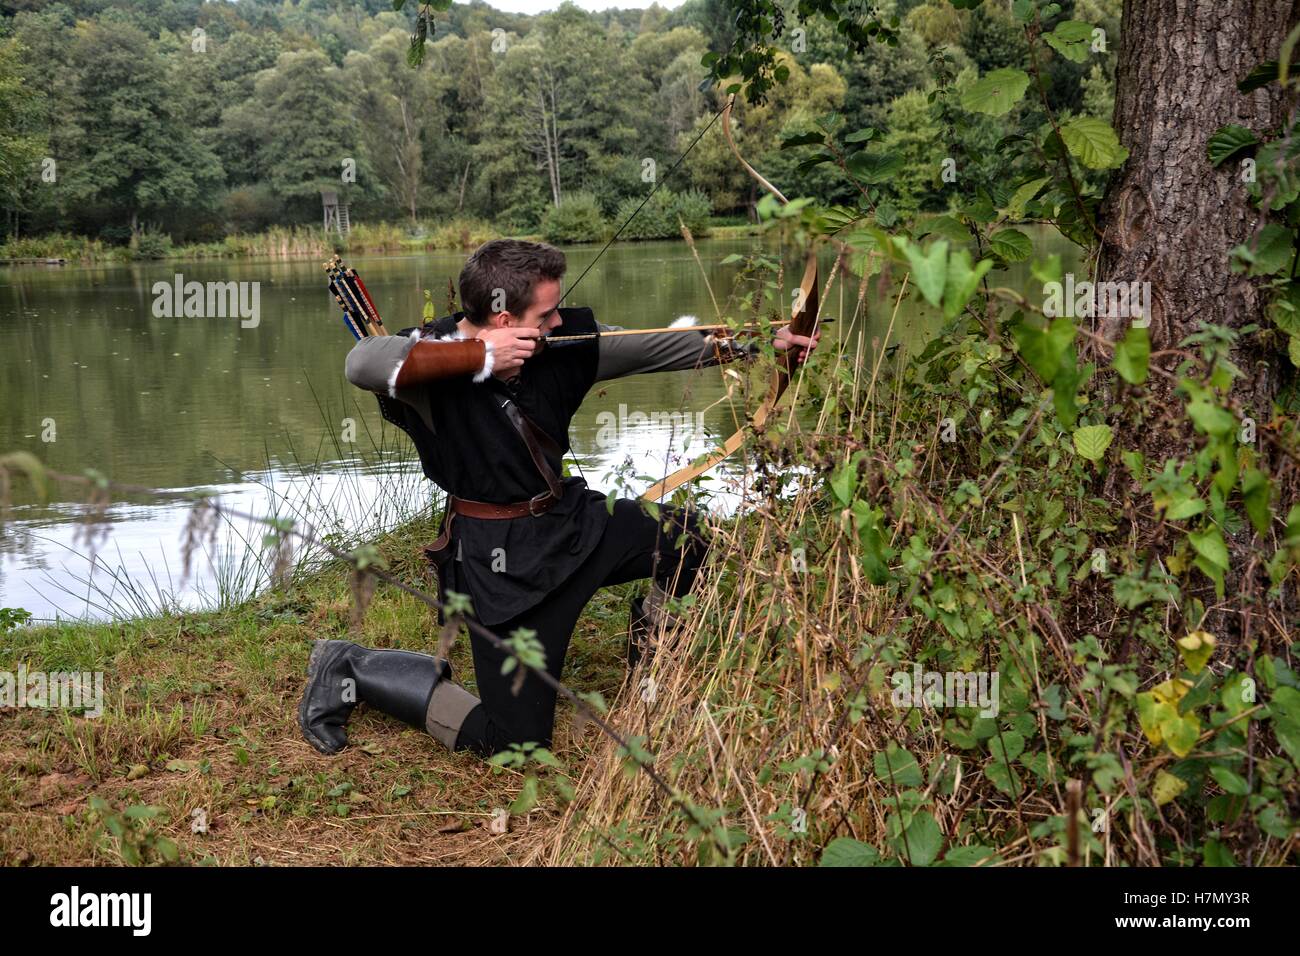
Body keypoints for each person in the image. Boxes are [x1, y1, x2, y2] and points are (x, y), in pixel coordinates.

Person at [299, 238, 819, 758]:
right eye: (545, 313)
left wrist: (761, 341)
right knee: (515, 742)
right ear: (504, 320)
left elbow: (657, 344)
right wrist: (479, 356)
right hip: (498, 562)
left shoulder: (560, 343)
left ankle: (653, 650)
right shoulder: (427, 361)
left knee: (689, 536)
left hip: (570, 523)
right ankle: (351, 666)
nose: (555, 322)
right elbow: (361, 362)